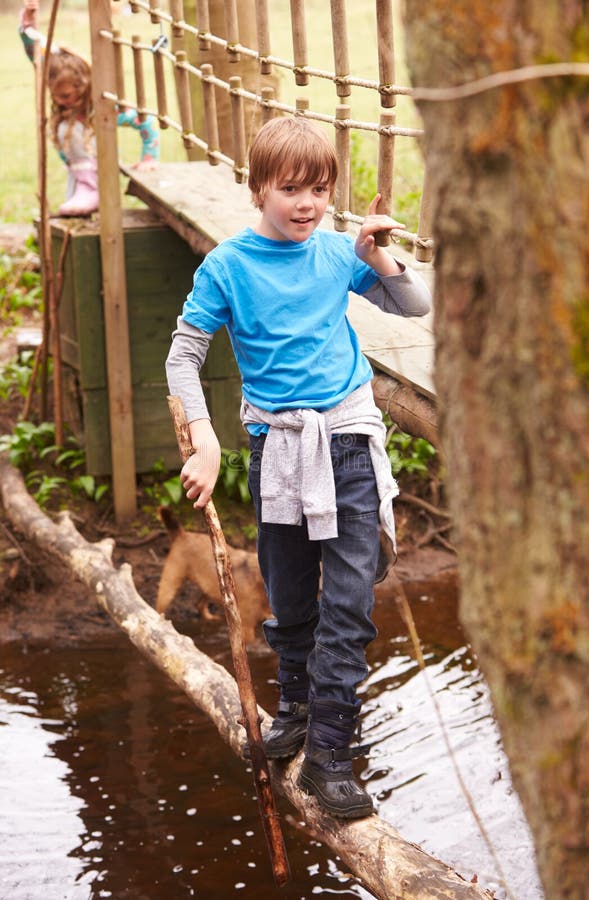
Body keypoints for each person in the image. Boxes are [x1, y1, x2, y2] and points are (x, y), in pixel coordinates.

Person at [165, 116, 431, 819]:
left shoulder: (340, 254)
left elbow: (415, 305)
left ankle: (331, 756)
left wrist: (377, 258)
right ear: (257, 189)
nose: (307, 203)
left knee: (347, 604)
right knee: (289, 596)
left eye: (319, 188)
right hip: (276, 449)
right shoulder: (228, 265)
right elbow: (183, 355)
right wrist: (206, 440)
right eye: (290, 189)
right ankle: (298, 711)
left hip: (346, 442)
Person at [19, 0, 159, 216]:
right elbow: (36, 57)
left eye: (66, 95)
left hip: (101, 176)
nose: (61, 100)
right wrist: (28, 23)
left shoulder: (101, 111)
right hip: (78, 178)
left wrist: (149, 157)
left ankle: (92, 190)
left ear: (82, 86)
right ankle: (84, 194)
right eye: (56, 94)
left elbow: (145, 121)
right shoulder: (67, 115)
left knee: (70, 128)